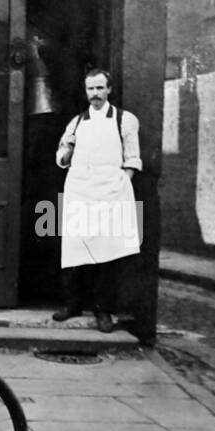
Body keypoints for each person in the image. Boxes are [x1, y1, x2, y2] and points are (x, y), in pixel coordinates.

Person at [53, 67, 142, 333]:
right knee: (76, 250)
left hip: (109, 194)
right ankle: (73, 305)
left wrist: (120, 184)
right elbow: (61, 158)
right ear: (85, 91)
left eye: (100, 88)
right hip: (80, 192)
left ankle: (103, 311)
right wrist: (66, 150)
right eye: (91, 89)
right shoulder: (76, 122)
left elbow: (133, 159)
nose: (95, 93)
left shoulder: (125, 120)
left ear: (109, 89)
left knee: (106, 255)